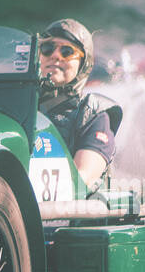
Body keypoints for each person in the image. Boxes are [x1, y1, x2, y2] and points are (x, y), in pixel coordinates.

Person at [37, 18, 119, 190]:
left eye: (67, 51)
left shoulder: (93, 115)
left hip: (66, 212)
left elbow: (82, 180)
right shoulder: (20, 103)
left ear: (84, 64)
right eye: (47, 48)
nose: (55, 55)